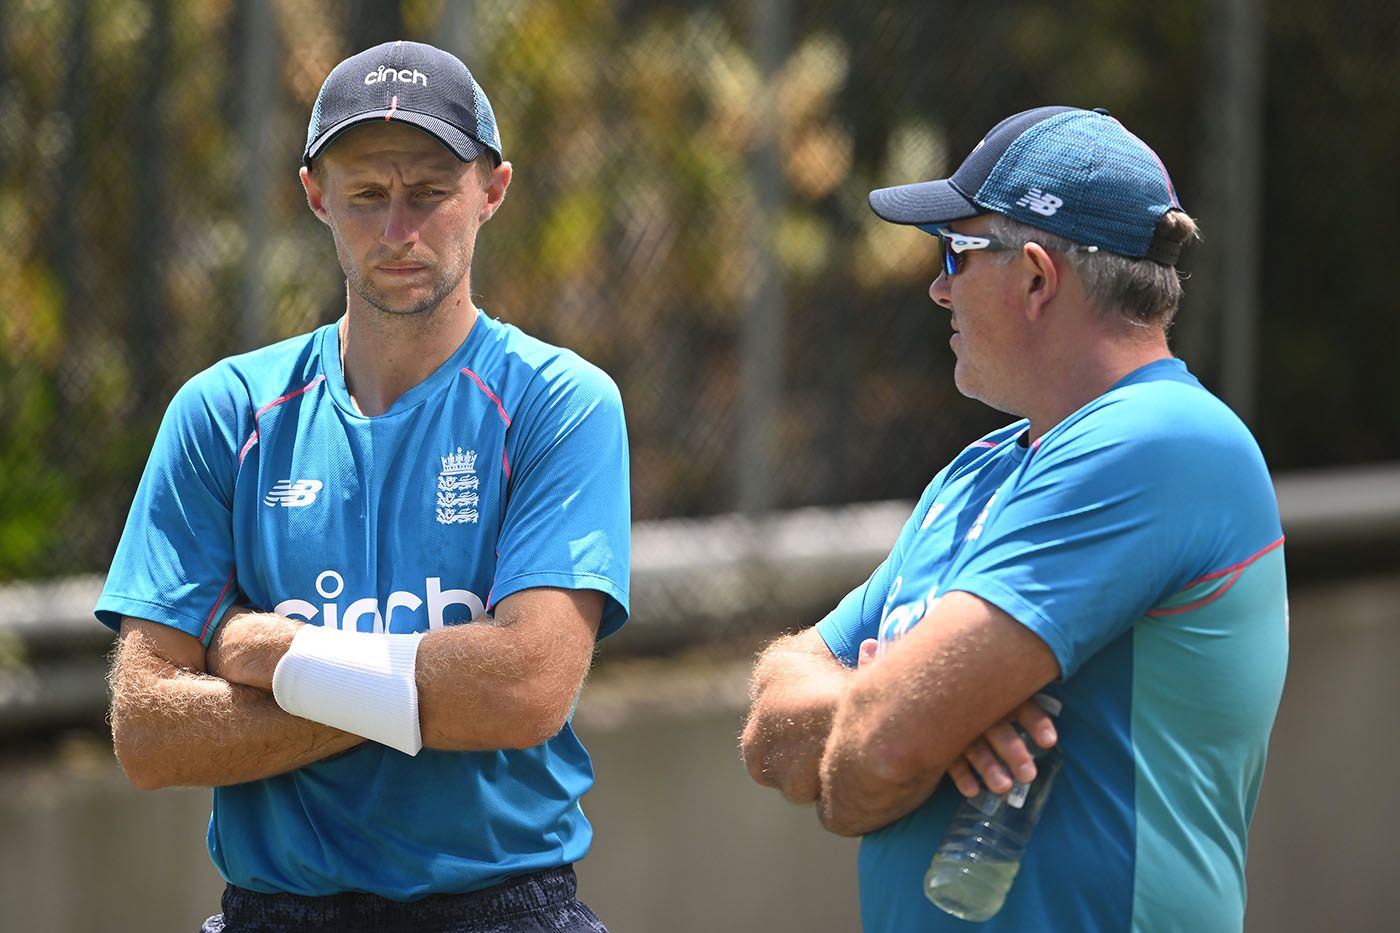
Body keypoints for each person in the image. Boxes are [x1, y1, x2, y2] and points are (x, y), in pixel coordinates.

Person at [97, 40, 629, 932]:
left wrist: (271, 656)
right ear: (316, 197)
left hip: (500, 909)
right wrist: (416, 688)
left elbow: (524, 690)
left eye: (429, 192)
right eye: (367, 196)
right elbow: (149, 732)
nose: (398, 232)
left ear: (492, 190)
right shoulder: (226, 411)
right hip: (272, 910)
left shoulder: (559, 402)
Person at [741, 105, 1287, 931]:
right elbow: (770, 721)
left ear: (1036, 276)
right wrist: (908, 711)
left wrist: (891, 726)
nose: (937, 285)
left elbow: (883, 751)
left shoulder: (1165, 442)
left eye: (955, 251)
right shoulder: (980, 470)